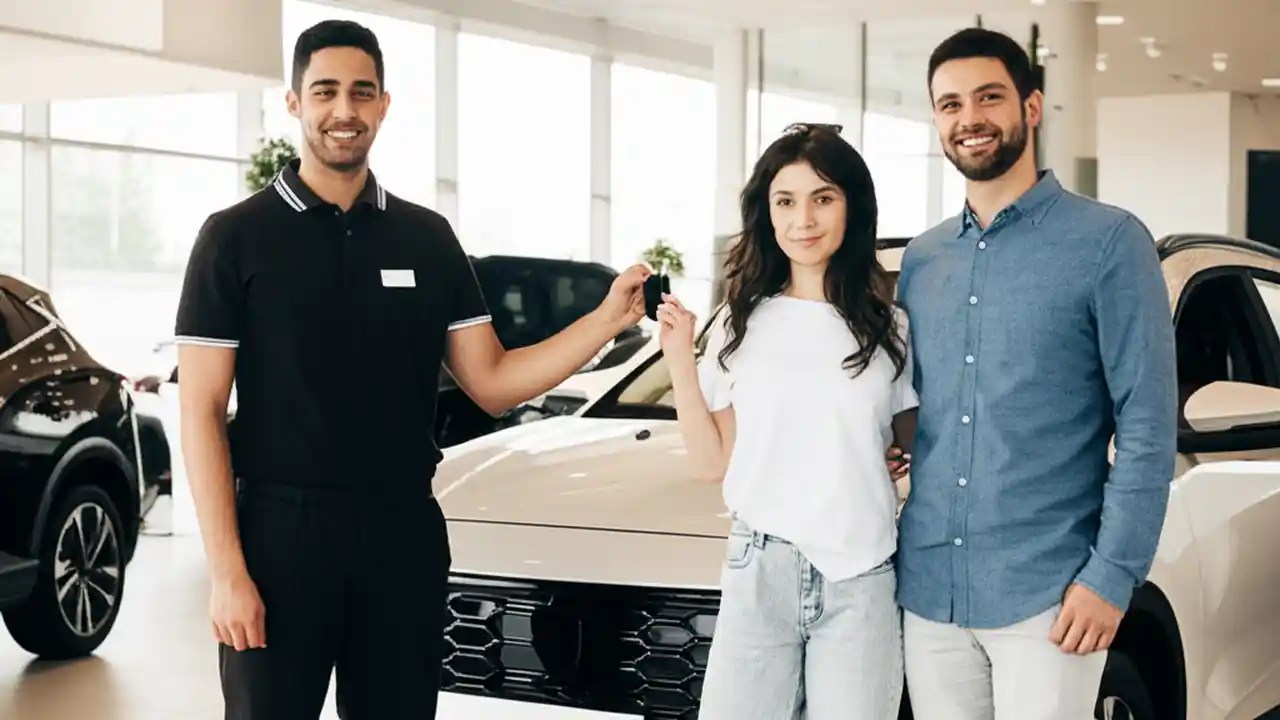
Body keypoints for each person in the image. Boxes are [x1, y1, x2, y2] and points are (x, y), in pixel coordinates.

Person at [174, 19, 650, 720]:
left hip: (402, 535)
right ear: (295, 102)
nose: (345, 110)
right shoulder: (234, 237)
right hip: (281, 535)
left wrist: (605, 321)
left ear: (384, 105)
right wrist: (226, 572)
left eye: (361, 92)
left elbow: (492, 380)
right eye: (325, 91)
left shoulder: (425, 239)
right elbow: (201, 410)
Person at [888, 27, 1177, 719]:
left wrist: (1111, 577)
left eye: (989, 97)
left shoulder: (1110, 241)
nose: (970, 118)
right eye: (951, 104)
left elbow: (1147, 423)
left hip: (1051, 597)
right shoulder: (922, 260)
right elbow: (912, 407)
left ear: (1032, 106)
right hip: (929, 593)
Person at [657, 122, 919, 719]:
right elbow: (711, 462)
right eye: (785, 201)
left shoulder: (892, 327)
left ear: (852, 206)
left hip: (861, 575)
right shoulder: (739, 322)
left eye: (822, 198)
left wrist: (888, 455)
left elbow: (915, 448)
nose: (803, 219)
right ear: (766, 212)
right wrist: (679, 359)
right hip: (760, 569)